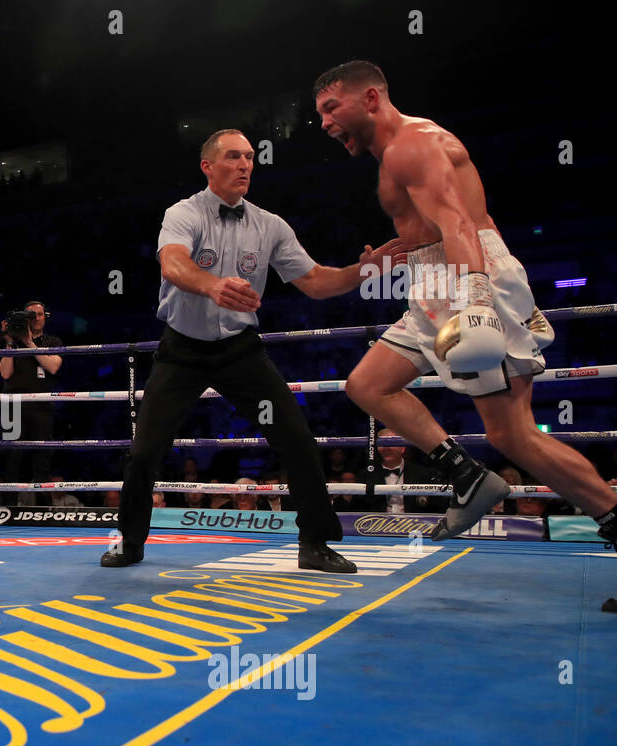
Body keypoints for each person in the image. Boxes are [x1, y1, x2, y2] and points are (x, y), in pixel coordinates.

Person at [315, 60, 617, 548]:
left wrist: (475, 296)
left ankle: (612, 516)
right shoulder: (398, 150)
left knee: (513, 437)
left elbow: (458, 224)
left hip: (466, 276)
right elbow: (434, 228)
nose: (325, 123)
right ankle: (468, 476)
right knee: (368, 384)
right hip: (432, 280)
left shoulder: (410, 145)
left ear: (371, 98)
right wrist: (406, 257)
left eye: (332, 108)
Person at [101, 129, 403, 572]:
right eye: (232, 157)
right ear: (208, 166)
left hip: (239, 351)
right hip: (182, 349)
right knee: (145, 450)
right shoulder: (183, 213)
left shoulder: (270, 225)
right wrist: (213, 285)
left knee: (296, 438)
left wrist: (362, 270)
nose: (245, 164)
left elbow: (315, 280)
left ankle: (315, 543)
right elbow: (173, 263)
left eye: (249, 157)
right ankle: (130, 541)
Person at [0, 301, 62, 505]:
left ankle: (44, 510)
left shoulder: (53, 341)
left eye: (39, 314)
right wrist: (10, 341)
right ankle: (7, 508)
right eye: (31, 314)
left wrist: (29, 343)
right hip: (13, 405)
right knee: (12, 459)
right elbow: (5, 373)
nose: (35, 317)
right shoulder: (11, 344)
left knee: (42, 460)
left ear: (45, 317)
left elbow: (53, 367)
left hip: (41, 406)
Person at [363, 427, 446, 514]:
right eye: (382, 444)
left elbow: (435, 508)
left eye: (391, 443)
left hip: (413, 525)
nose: (386, 448)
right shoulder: (367, 475)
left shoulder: (422, 474)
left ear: (403, 448)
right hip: (378, 525)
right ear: (377, 448)